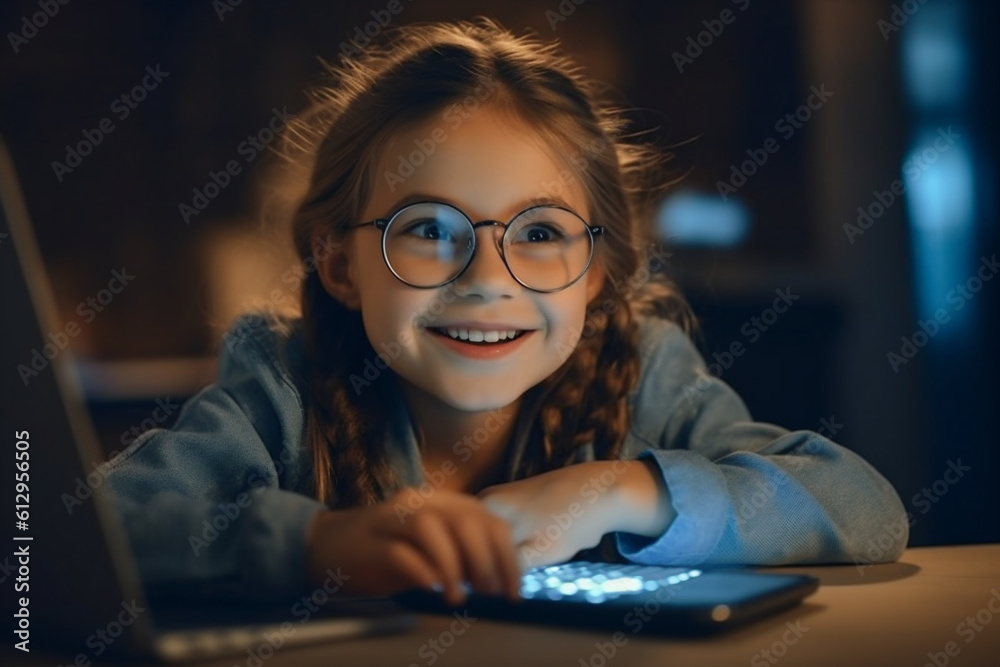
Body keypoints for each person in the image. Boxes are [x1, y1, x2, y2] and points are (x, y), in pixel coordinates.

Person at [106, 18, 908, 608]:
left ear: (596, 272)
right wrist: (315, 543)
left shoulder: (645, 370)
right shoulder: (284, 381)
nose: (488, 279)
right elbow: (65, 534)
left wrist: (618, 490)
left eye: (541, 233)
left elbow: (863, 505)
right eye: (426, 229)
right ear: (339, 264)